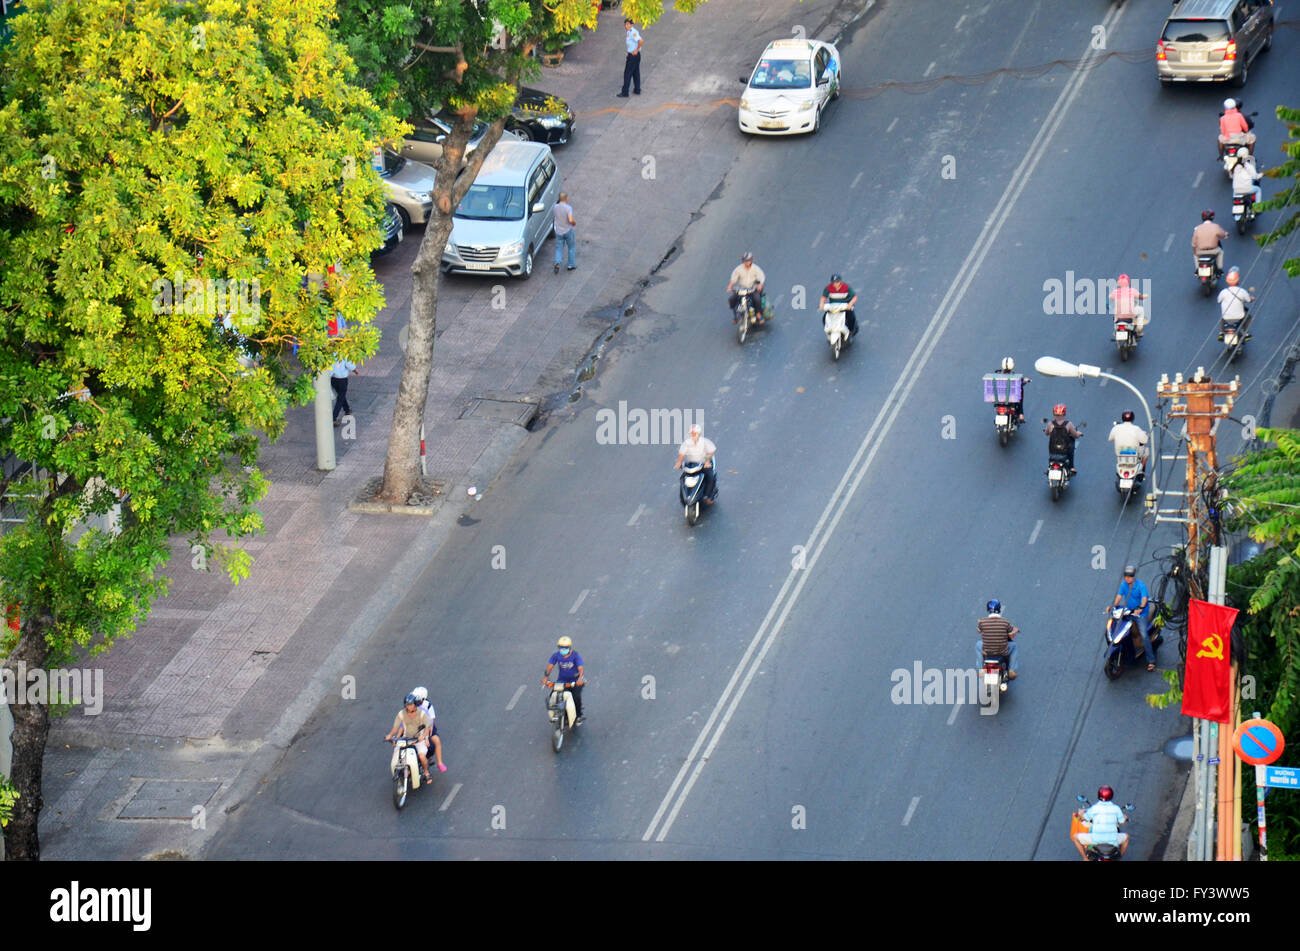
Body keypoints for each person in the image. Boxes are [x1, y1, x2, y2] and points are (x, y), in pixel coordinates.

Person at [1110, 565, 1156, 672]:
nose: (1127, 578)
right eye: (1126, 576)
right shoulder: (1124, 585)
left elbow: (1144, 599)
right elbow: (1118, 597)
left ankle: (1151, 660)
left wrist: (1140, 608)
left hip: (1140, 614)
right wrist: (1113, 606)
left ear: (1133, 576)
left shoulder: (1141, 585)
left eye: (1129, 576)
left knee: (1144, 635)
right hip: (1129, 611)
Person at [384, 693, 433, 782]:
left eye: (410, 705)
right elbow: (396, 728)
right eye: (407, 705)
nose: (409, 707)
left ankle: (426, 773)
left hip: (418, 739)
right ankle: (401, 771)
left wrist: (423, 736)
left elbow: (427, 726)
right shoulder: (401, 714)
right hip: (405, 738)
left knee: (422, 756)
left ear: (415, 705)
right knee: (395, 754)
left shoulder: (422, 714)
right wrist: (390, 735)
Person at [1073, 785, 1129, 860]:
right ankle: (1119, 857)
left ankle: (1085, 858)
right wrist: (1124, 817)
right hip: (1113, 841)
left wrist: (1080, 813)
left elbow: (1084, 818)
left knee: (1075, 837)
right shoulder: (1116, 809)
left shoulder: (1095, 808)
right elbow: (1122, 822)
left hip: (1096, 840)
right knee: (1127, 837)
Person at [544, 636, 585, 724]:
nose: (563, 650)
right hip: (562, 681)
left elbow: (581, 669)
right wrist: (546, 677)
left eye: (565, 648)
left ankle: (578, 716)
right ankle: (555, 715)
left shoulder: (575, 656)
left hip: (575, 681)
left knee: (576, 697)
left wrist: (580, 678)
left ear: (570, 648)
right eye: (561, 648)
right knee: (553, 696)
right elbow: (550, 666)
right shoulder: (556, 655)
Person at [976, 599, 1020, 679]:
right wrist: (1016, 630)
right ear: (999, 609)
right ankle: (1011, 670)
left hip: (987, 651)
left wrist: (980, 623)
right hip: (1002, 652)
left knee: (978, 644)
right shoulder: (1005, 622)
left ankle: (980, 670)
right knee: (1014, 646)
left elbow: (978, 630)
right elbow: (1011, 631)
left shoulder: (982, 622)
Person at [674, 422, 718, 503]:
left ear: (699, 433)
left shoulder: (705, 442)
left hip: (703, 464)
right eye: (692, 433)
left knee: (710, 477)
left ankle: (708, 496)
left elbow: (711, 451)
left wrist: (707, 462)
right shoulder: (687, 443)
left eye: (695, 433)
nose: (693, 435)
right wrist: (679, 462)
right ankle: (684, 497)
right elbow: (682, 453)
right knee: (682, 478)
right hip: (691, 465)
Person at [410, 686, 447, 772]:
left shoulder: (428, 705)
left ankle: (440, 763)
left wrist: (428, 733)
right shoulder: (411, 703)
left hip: (426, 725)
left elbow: (431, 719)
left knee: (436, 740)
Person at [726, 252, 767, 324]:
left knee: (757, 299)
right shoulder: (739, 269)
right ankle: (736, 316)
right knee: (732, 299)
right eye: (745, 261)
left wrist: (760, 285)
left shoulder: (755, 269)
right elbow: (734, 279)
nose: (746, 262)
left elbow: (761, 277)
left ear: (751, 260)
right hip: (742, 289)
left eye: (748, 260)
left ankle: (758, 314)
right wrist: (730, 286)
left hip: (752, 289)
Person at [1044, 404, 1082, 475]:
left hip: (1053, 451)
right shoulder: (1069, 424)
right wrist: (1079, 433)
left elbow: (1046, 433)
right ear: (1064, 413)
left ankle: (1049, 467)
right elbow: (1075, 435)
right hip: (1064, 451)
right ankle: (1071, 467)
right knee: (1072, 446)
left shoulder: (1050, 424)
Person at [1217, 267, 1253, 338]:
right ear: (1238, 281)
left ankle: (1221, 333)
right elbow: (1248, 300)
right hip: (1240, 316)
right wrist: (1252, 298)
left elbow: (1219, 301)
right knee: (1248, 317)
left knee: (1222, 319)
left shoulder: (1223, 292)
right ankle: (1246, 333)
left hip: (1226, 317)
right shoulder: (1242, 291)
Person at [819, 273, 859, 337]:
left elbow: (855, 297)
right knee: (824, 318)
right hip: (834, 306)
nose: (835, 284)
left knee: (851, 317)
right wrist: (821, 303)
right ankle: (830, 331)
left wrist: (850, 304)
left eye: (837, 282)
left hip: (845, 306)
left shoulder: (846, 287)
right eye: (834, 282)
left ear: (840, 281)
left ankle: (851, 331)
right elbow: (824, 297)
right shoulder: (828, 288)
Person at [1192, 210, 1228, 276]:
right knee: (1221, 252)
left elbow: (1193, 244)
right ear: (1212, 217)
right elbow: (1223, 235)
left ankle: (1197, 269)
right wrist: (1226, 234)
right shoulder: (1216, 226)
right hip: (1214, 251)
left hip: (1201, 252)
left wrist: (1195, 253)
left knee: (1194, 255)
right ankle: (1219, 269)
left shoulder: (1197, 229)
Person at [992, 357, 1028, 423]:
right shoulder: (1014, 376)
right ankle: (1021, 415)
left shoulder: (997, 374)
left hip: (999, 398)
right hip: (1011, 398)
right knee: (1020, 391)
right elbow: (1020, 383)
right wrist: (1025, 381)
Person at [617, 18, 642, 97]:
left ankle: (625, 92)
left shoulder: (633, 32)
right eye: (625, 24)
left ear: (632, 25)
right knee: (635, 72)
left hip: (633, 56)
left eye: (628, 24)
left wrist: (636, 50)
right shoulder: (629, 32)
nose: (626, 26)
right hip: (633, 55)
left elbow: (641, 41)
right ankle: (637, 89)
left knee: (627, 73)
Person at [553, 192, 576, 273]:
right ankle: (571, 265)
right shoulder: (568, 208)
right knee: (571, 247)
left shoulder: (555, 207)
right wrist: (573, 223)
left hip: (559, 231)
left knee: (559, 248)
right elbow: (570, 219)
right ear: (566, 199)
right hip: (567, 230)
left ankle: (557, 262)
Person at [330, 358, 357, 426]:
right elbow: (350, 365)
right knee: (340, 398)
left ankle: (347, 409)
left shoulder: (331, 354)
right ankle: (333, 418)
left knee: (341, 395)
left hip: (333, 379)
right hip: (342, 380)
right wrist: (355, 370)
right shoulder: (344, 354)